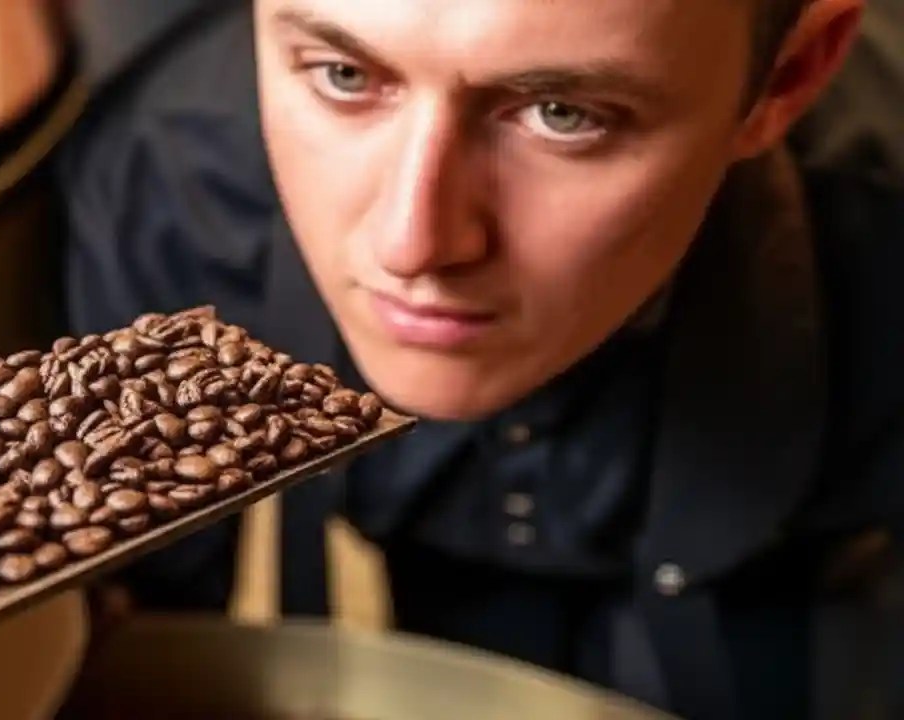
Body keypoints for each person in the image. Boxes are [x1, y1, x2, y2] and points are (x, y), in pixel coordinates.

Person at [49, 1, 904, 718]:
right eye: (345, 76)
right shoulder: (172, 199)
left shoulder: (878, 242)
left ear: (786, 79)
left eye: (564, 115)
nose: (412, 245)